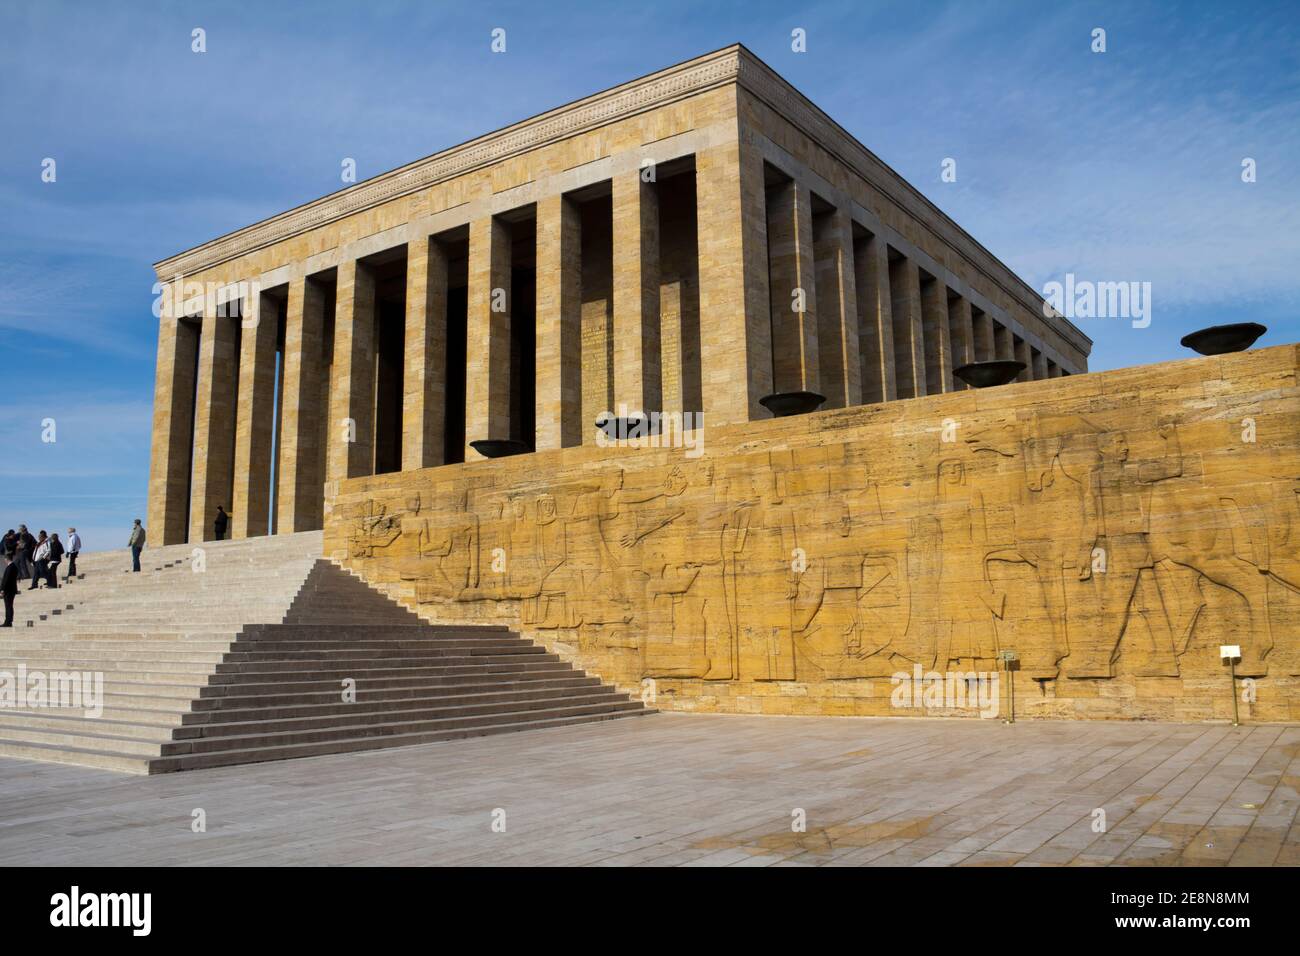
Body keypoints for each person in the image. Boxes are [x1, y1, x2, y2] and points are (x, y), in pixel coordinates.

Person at [1, 552, 17, 627]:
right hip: (11, 590)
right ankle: (8, 621)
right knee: (9, 606)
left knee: (8, 606)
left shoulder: (10, 567)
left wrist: (2, 589)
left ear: (6, 559)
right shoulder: (14, 566)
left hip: (8, 590)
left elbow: (6, 580)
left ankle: (8, 621)